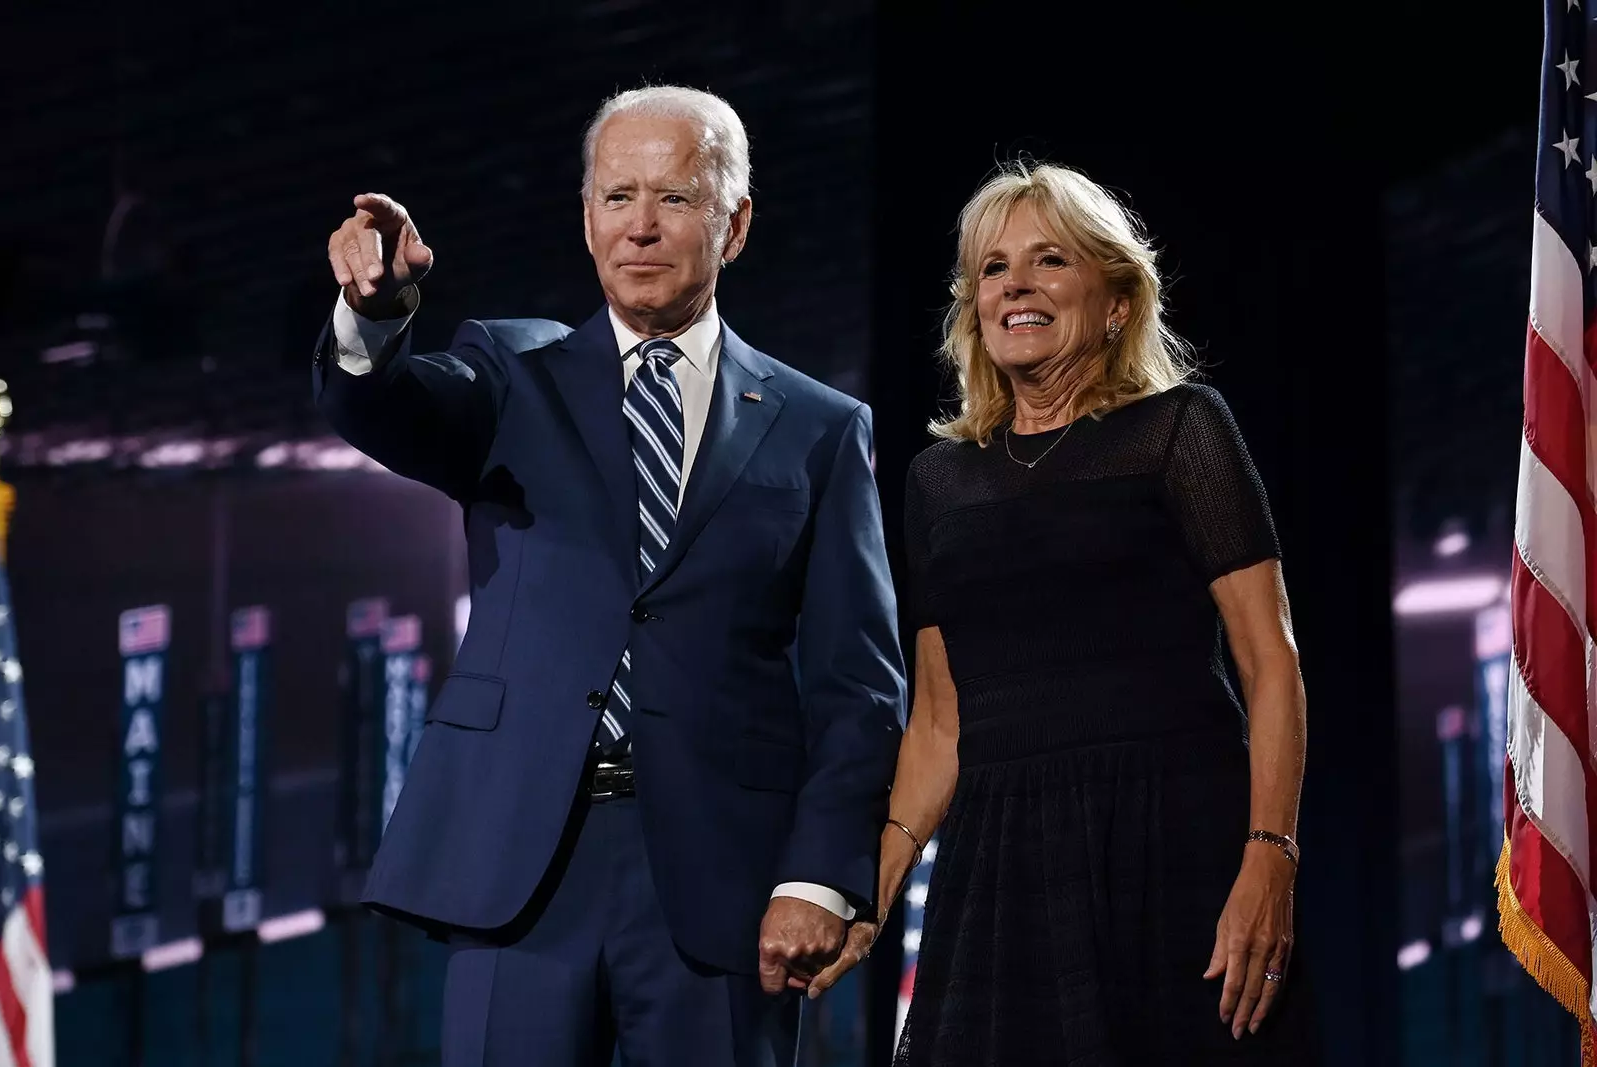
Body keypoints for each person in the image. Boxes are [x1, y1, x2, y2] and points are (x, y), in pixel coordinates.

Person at [314, 85, 906, 1067]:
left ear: (735, 222)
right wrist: (374, 317)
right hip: (522, 860)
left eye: (674, 198)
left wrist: (821, 875)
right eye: (616, 196)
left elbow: (859, 685)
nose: (640, 226)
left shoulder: (819, 426)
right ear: (586, 217)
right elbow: (388, 408)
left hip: (721, 878)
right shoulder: (509, 372)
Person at [808, 163, 1318, 1062]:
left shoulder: (1180, 429)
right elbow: (938, 721)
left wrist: (1270, 853)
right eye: (994, 268)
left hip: (1172, 844)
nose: (1017, 284)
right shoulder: (939, 481)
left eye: (1050, 261)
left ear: (1115, 301)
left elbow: (1268, 659)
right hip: (1002, 865)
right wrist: (867, 894)